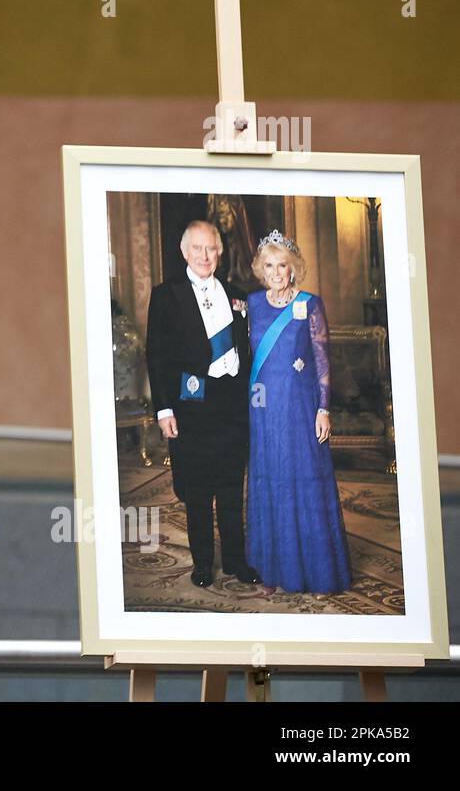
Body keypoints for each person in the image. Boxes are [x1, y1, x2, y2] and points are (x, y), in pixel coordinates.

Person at [146, 219, 261, 588]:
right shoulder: (167, 295)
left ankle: (235, 561)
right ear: (184, 252)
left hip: (230, 405)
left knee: (230, 487)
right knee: (197, 492)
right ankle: (202, 563)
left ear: (220, 252)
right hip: (190, 406)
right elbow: (156, 356)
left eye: (211, 248)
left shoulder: (236, 294)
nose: (204, 255)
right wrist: (163, 409)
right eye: (197, 248)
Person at [245, 230, 352, 593]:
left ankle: (314, 570)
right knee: (270, 478)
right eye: (269, 266)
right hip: (263, 410)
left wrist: (324, 409)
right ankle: (273, 568)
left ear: (294, 269)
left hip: (300, 407)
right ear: (261, 269)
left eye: (283, 266)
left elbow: (322, 361)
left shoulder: (311, 304)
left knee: (303, 478)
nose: (276, 272)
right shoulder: (252, 305)